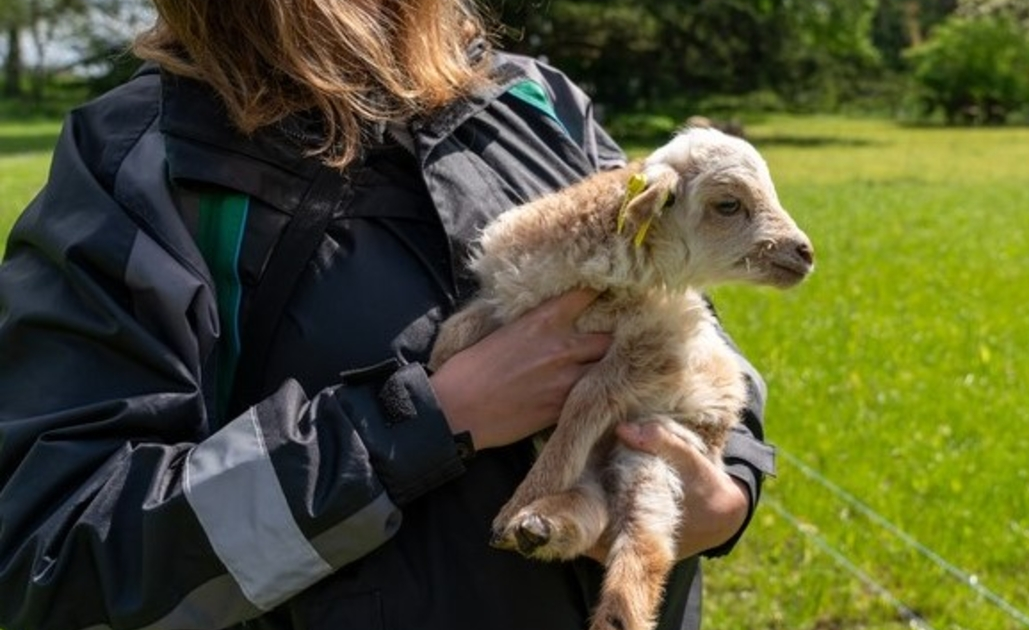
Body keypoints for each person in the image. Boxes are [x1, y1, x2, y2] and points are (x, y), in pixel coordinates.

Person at [0, 0, 777, 629]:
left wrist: (731, 485)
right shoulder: (142, 166)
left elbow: (689, 303)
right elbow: (53, 551)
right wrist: (428, 417)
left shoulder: (539, 101)